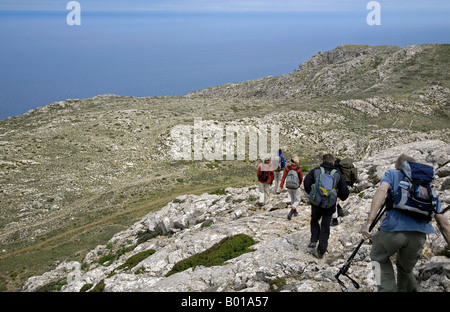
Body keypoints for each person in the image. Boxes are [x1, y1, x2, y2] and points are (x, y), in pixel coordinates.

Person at [359, 154, 443, 292]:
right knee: (405, 268)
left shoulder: (392, 173)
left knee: (378, 258)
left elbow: (381, 191)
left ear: (398, 166)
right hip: (419, 234)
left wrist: (369, 222)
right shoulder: (426, 185)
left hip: (392, 229)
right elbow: (442, 222)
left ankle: (387, 290)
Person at [304, 153, 349, 259]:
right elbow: (344, 192)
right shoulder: (337, 174)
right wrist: (338, 197)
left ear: (323, 161)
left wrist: (313, 194)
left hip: (316, 202)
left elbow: (306, 183)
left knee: (314, 219)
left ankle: (313, 240)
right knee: (325, 225)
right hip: (329, 204)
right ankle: (322, 249)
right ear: (333, 161)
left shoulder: (316, 171)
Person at [280, 155, 303, 220]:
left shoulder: (287, 168)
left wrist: (281, 185)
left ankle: (295, 212)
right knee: (297, 200)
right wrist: (299, 183)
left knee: (292, 198)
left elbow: (284, 177)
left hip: (289, 186)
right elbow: (301, 178)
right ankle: (291, 211)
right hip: (296, 186)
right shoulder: (298, 169)